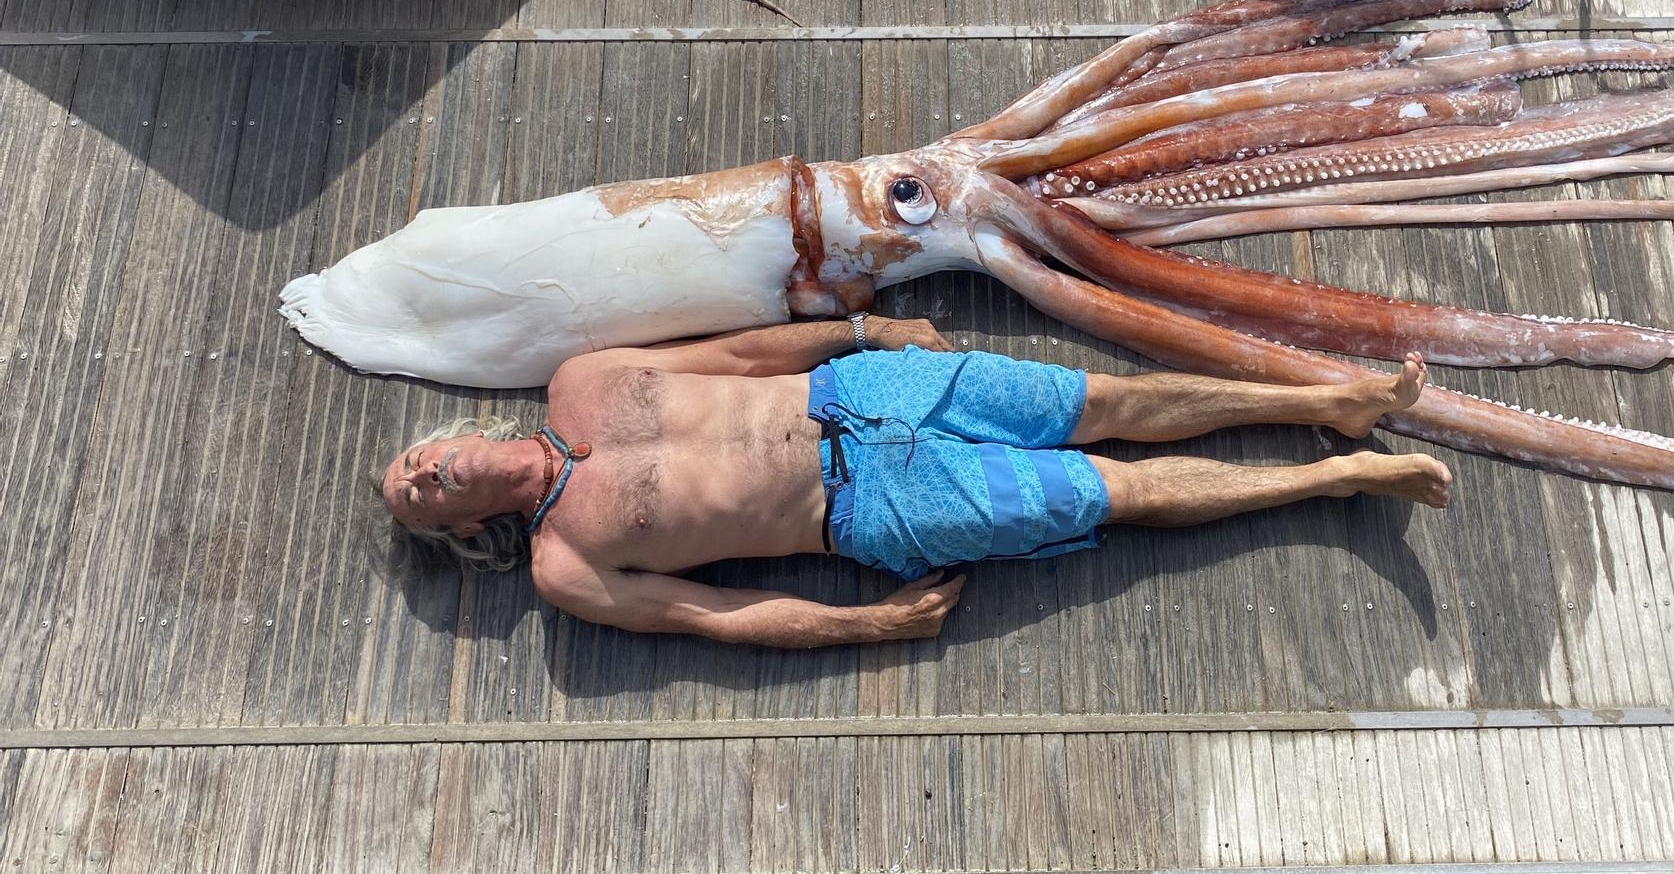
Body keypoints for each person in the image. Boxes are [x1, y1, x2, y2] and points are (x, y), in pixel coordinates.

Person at [378, 317, 1449, 648]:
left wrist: (859, 326)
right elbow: (719, 615)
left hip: (857, 386)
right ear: (468, 531)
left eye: (415, 457)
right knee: (1110, 496)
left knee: (1106, 402)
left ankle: (1328, 404)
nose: (426, 470)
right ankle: (1340, 477)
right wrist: (866, 625)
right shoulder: (567, 566)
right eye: (422, 494)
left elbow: (746, 356)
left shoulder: (579, 380)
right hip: (862, 510)